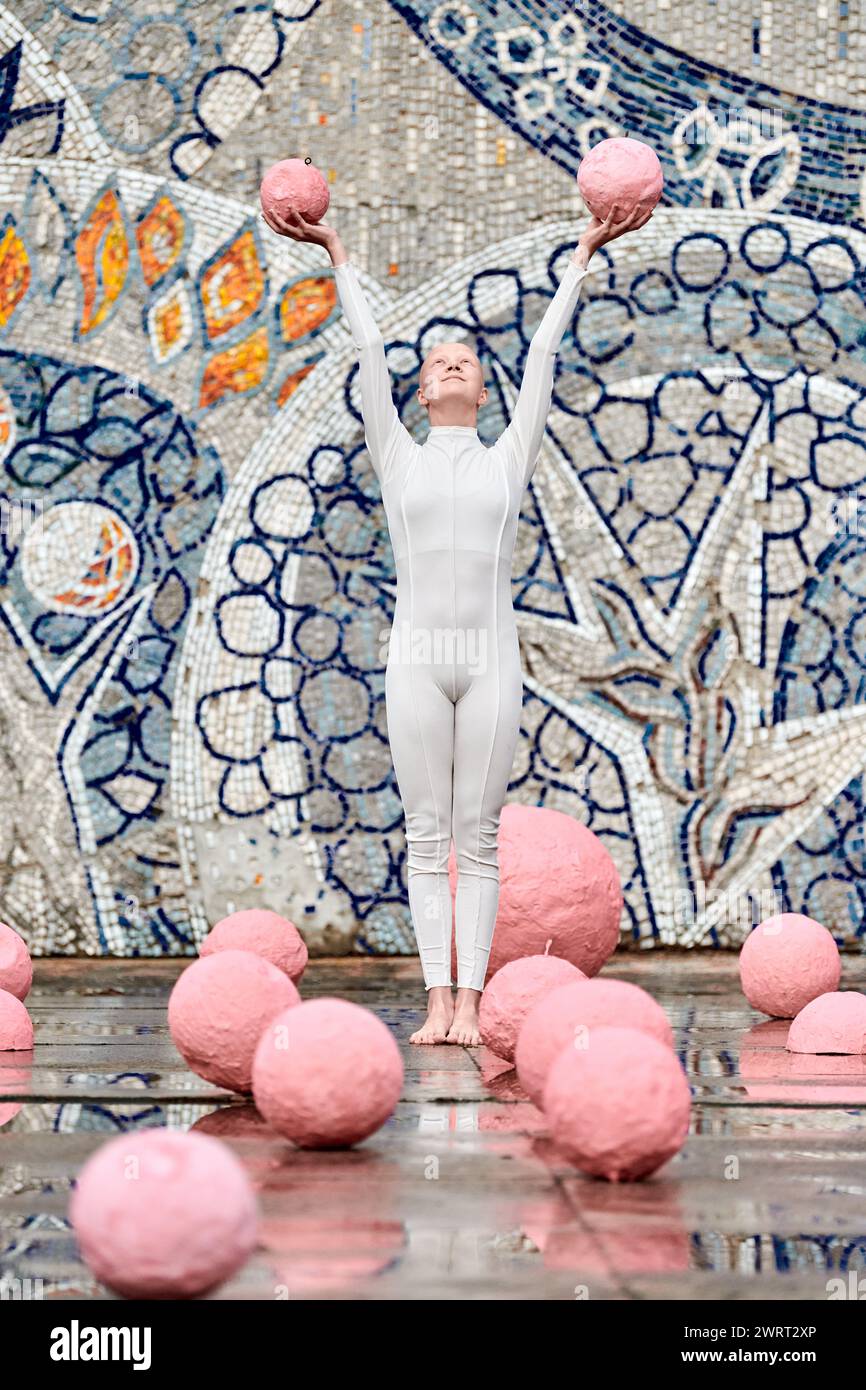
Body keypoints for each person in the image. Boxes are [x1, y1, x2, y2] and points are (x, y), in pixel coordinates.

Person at [262, 197, 651, 1044]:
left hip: (490, 661)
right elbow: (367, 351)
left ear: (481, 391)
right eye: (436, 361)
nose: (448, 366)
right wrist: (335, 252)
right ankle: (436, 1003)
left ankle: (472, 1006)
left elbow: (544, 353)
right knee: (425, 834)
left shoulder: (507, 459)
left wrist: (584, 252)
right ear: (419, 388)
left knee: (476, 839)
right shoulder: (396, 456)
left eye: (464, 362)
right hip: (414, 661)